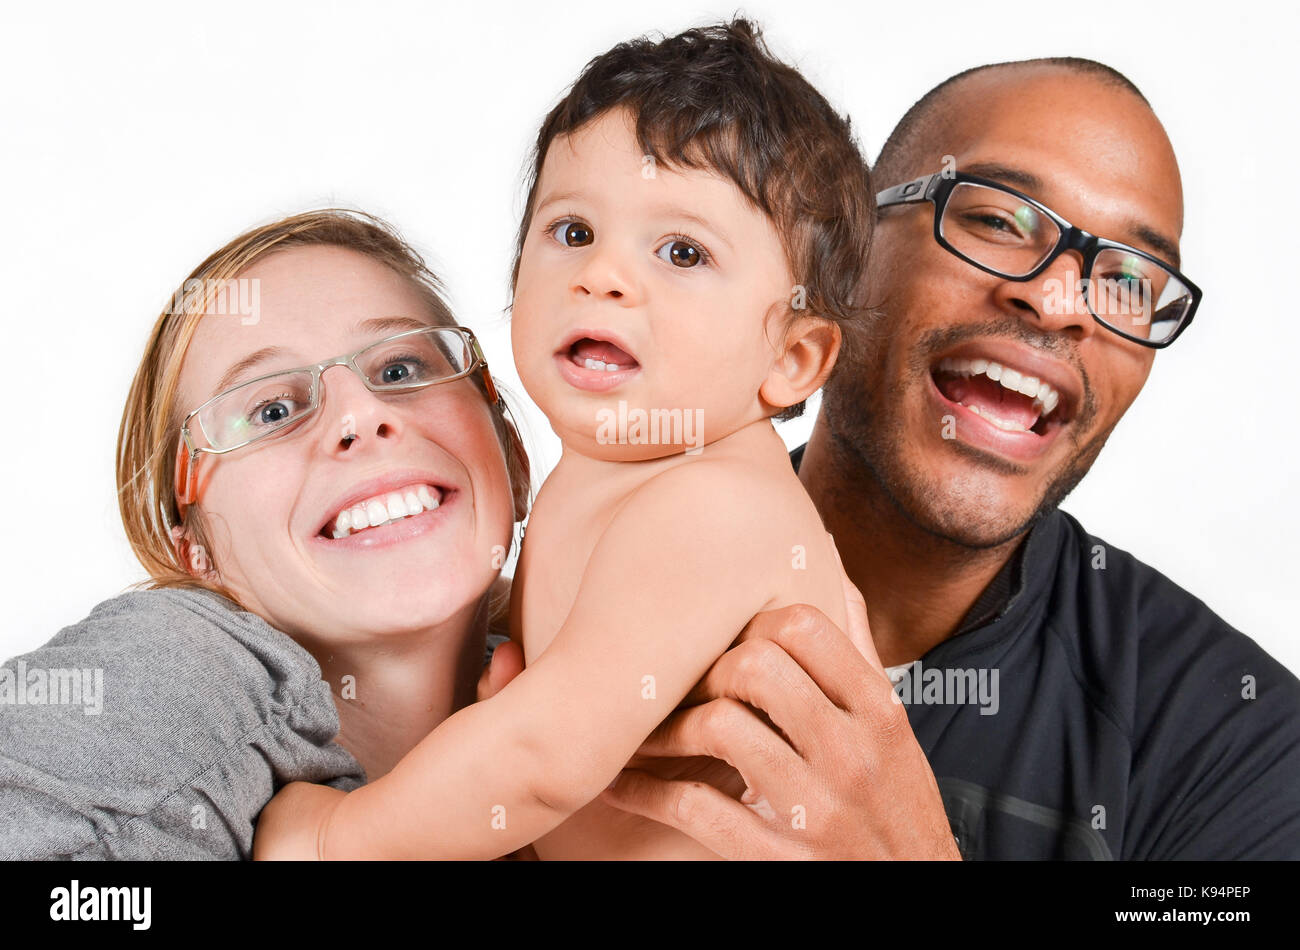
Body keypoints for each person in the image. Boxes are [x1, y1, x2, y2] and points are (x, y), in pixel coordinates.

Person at [592, 57, 1300, 859]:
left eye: (1130, 281)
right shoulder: (600, 586)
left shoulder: (1246, 748)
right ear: (844, 248)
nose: (1062, 304)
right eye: (998, 220)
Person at [253, 19, 876, 860]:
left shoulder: (715, 505)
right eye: (574, 231)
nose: (604, 275)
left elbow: (542, 759)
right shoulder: (627, 475)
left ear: (794, 358)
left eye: (682, 251)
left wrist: (335, 838)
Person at [0, 209, 531, 859]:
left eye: (399, 369)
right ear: (190, 545)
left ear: (513, 457)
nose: (362, 414)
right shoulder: (176, 659)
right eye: (273, 410)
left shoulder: (623, 688)